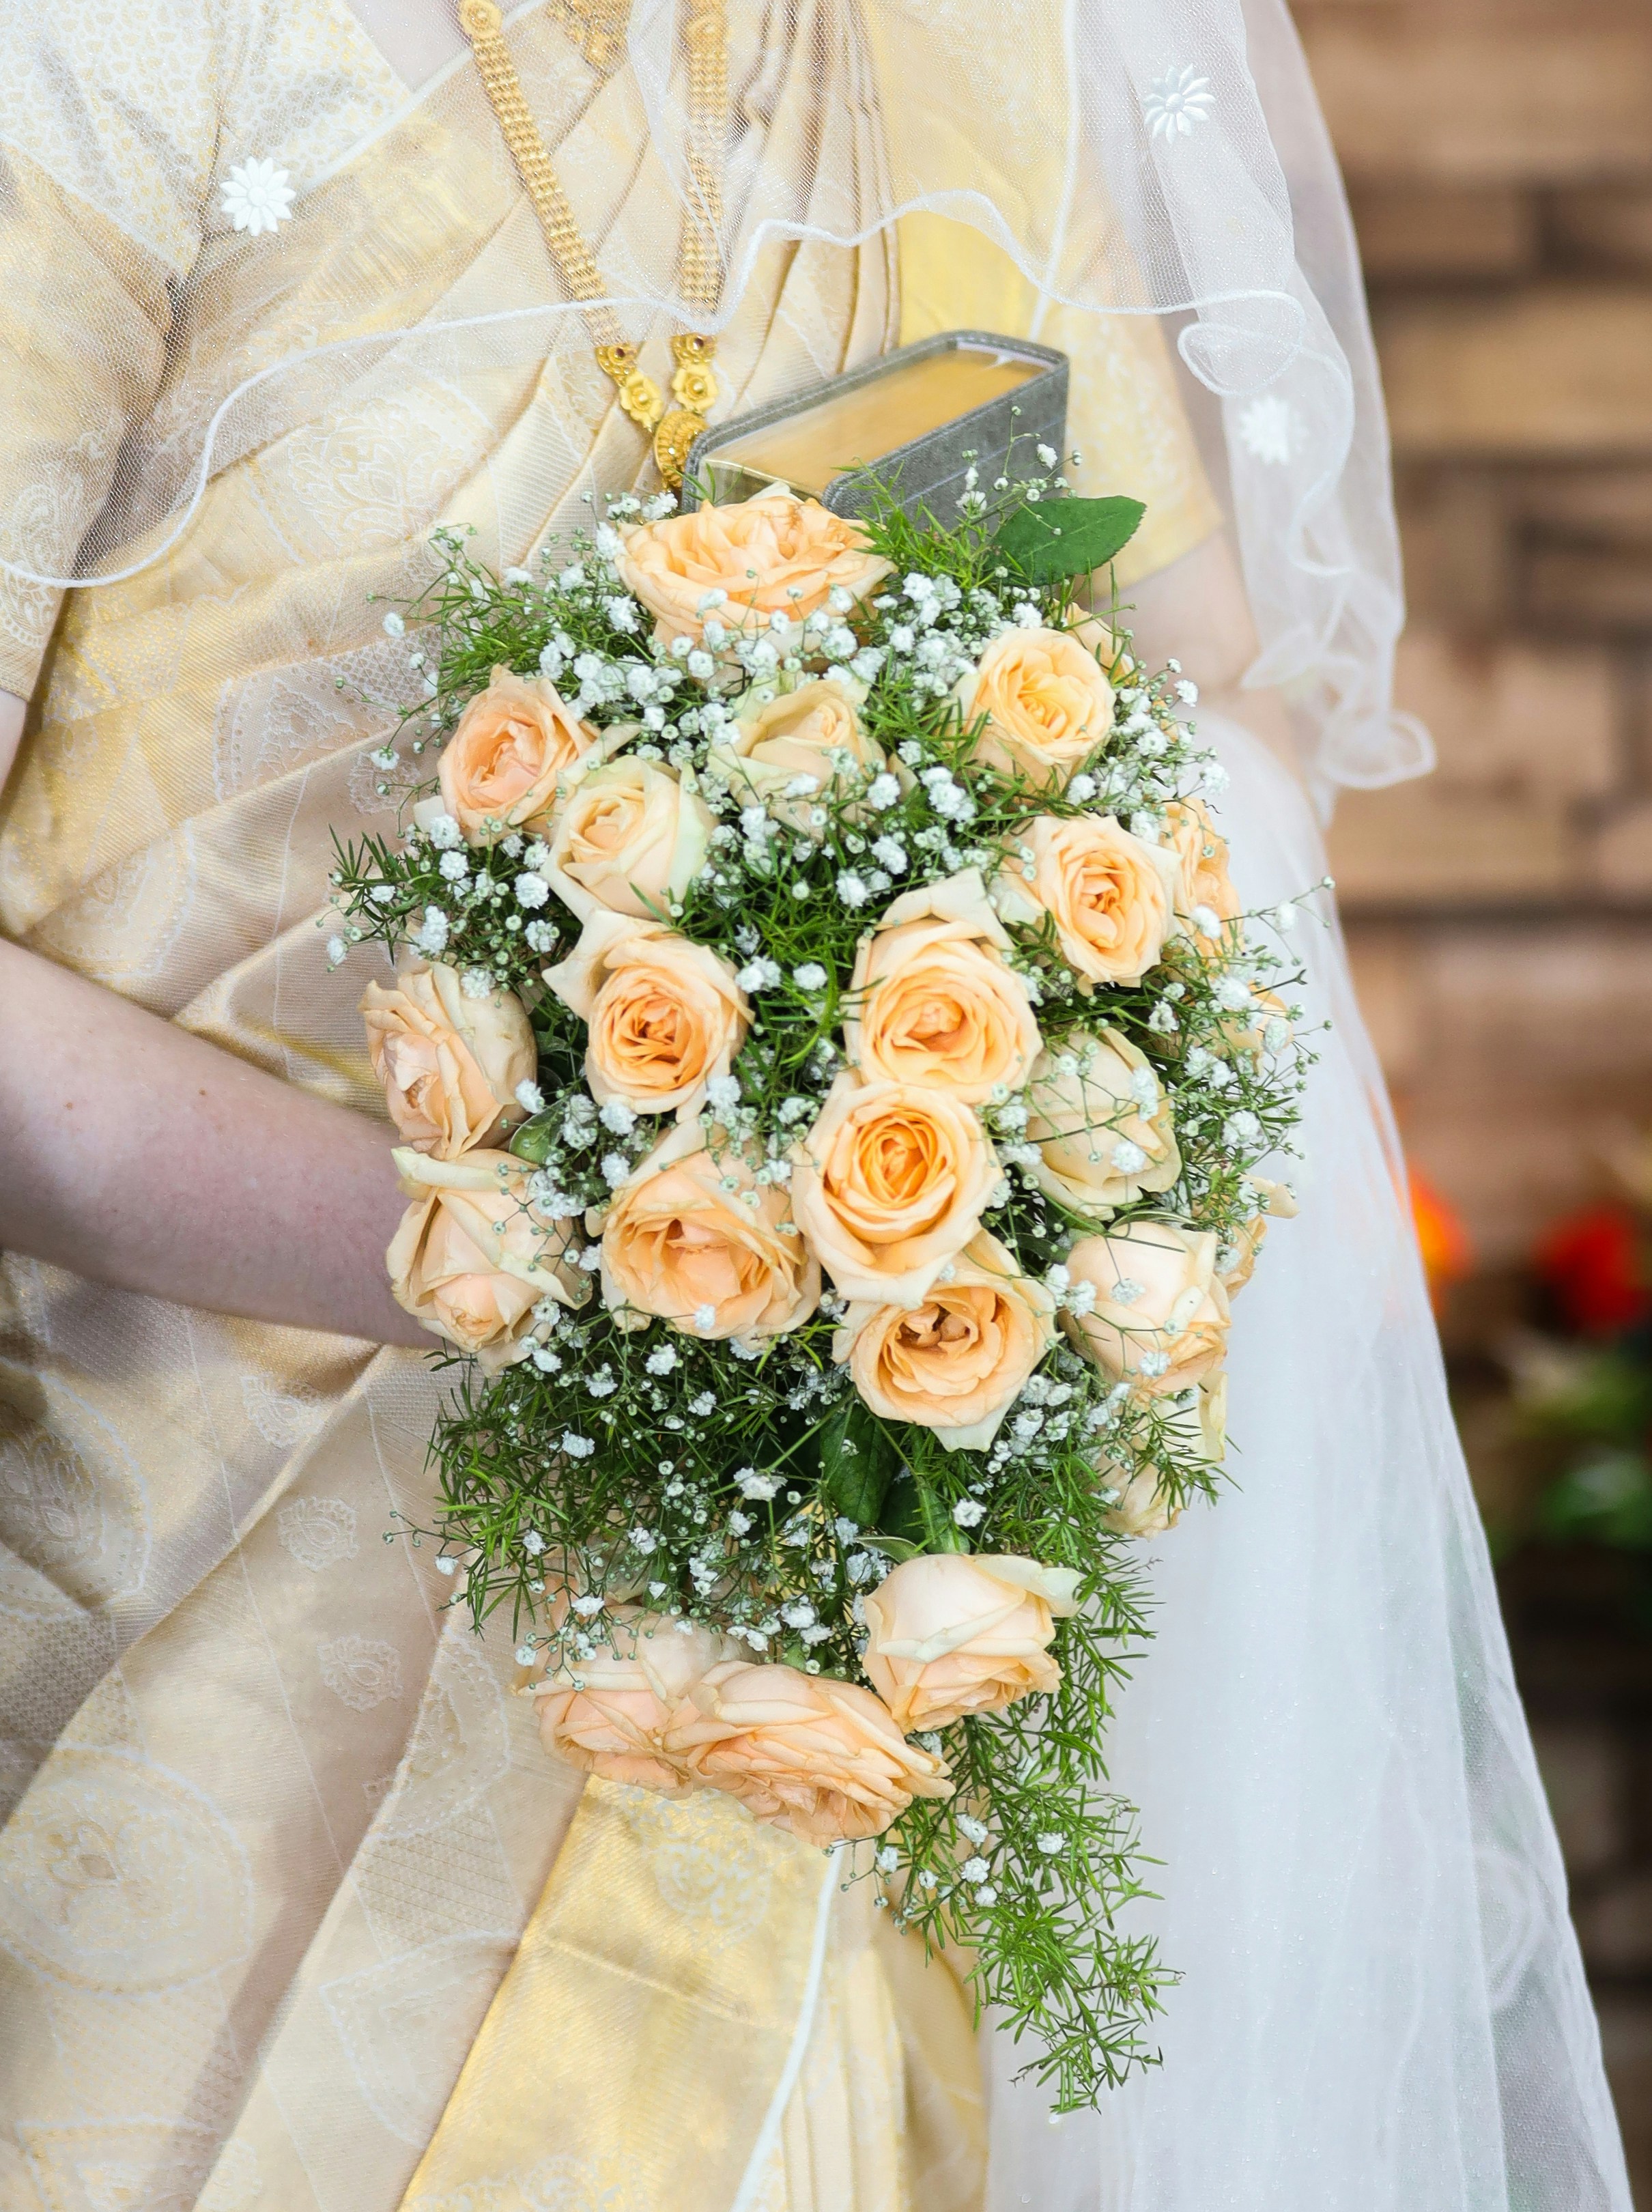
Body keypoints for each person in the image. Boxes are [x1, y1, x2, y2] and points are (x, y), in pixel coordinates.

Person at [0, 3, 1630, 2208]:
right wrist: (587, 1261)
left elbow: (1183, 697)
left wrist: (1025, 1117)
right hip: (169, 1662)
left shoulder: (959, 48)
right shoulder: (120, 60)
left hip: (813, 1694)